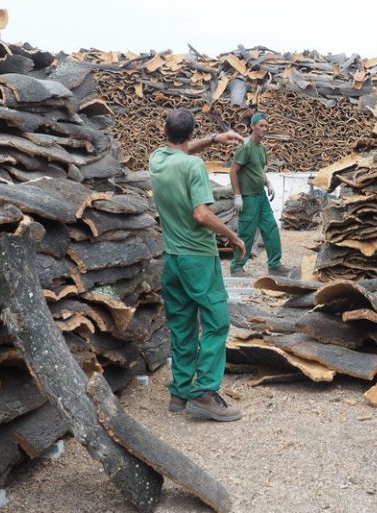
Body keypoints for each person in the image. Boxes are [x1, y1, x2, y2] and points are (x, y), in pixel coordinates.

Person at [149, 108, 247, 422]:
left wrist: (216, 138)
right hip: (199, 257)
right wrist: (232, 236)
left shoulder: (157, 160)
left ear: (166, 131)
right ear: (191, 133)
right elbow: (202, 215)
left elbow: (182, 150)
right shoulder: (193, 166)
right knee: (217, 322)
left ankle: (179, 391)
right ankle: (205, 393)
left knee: (181, 325)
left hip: (173, 259)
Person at [228, 112, 290, 277]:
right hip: (248, 197)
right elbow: (233, 171)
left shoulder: (261, 148)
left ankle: (275, 265)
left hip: (260, 196)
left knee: (271, 228)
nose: (264, 129)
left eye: (266, 126)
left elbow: (259, 170)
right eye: (261, 125)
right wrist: (237, 196)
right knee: (247, 233)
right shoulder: (245, 146)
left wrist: (267, 182)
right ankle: (236, 267)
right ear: (252, 127)